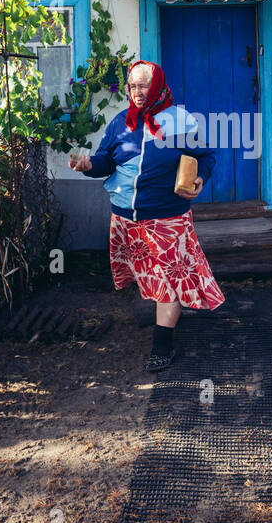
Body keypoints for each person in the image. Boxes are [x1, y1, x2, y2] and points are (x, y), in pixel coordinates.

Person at [68, 60, 225, 370]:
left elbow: (205, 156)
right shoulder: (120, 123)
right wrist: (88, 166)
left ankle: (162, 346)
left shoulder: (180, 121)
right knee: (145, 276)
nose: (137, 92)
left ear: (158, 87)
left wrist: (199, 179)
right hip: (126, 218)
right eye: (133, 86)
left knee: (168, 280)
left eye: (144, 86)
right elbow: (105, 162)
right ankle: (158, 316)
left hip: (166, 218)